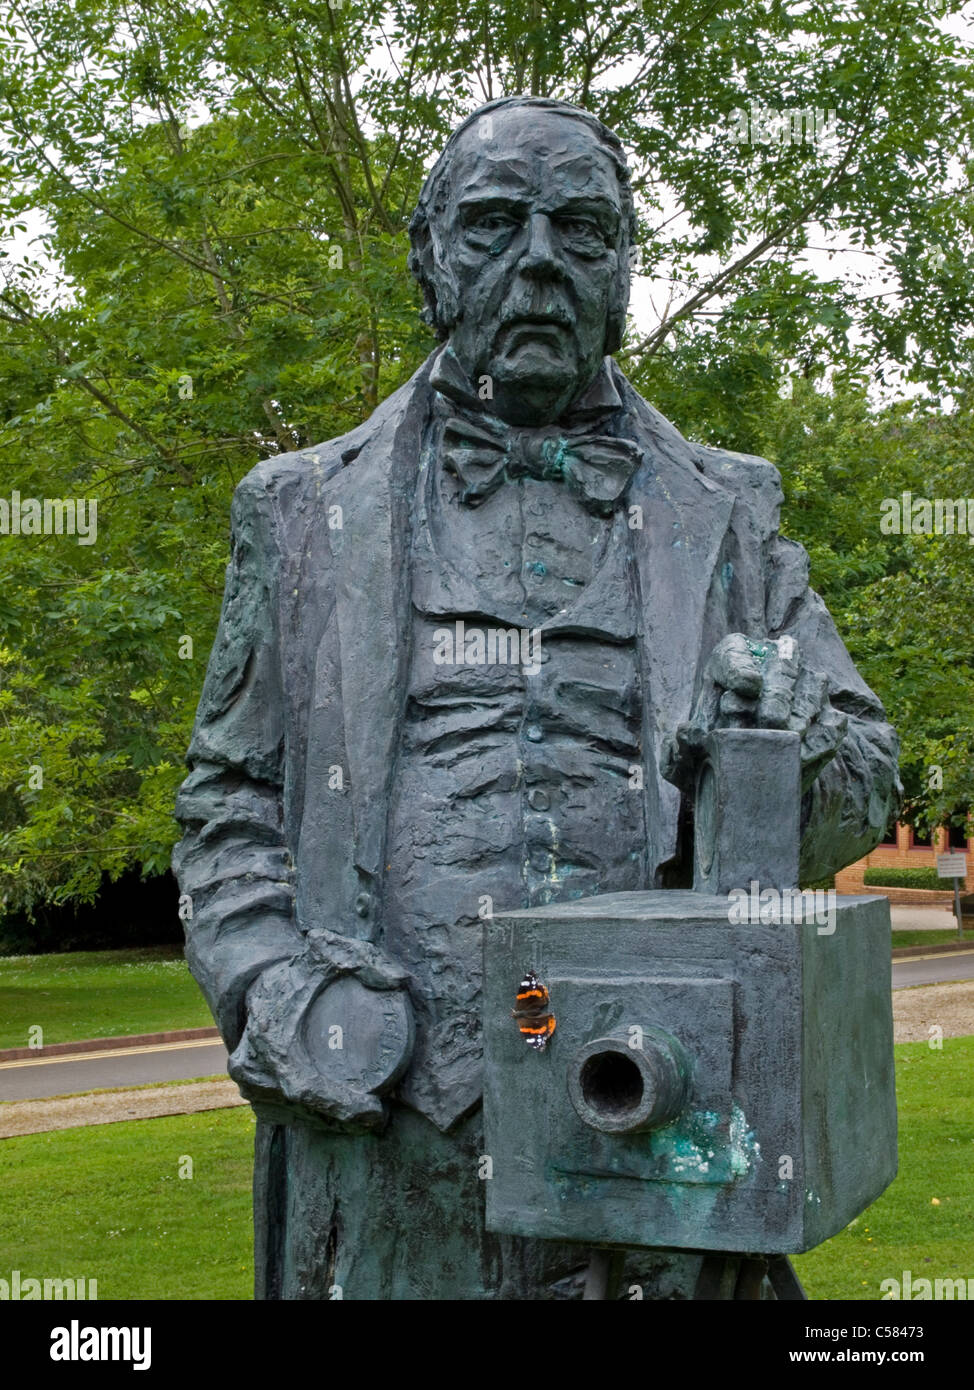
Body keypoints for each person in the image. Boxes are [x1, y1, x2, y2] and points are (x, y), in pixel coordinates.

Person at [173, 96, 900, 1299]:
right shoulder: (298, 509)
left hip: (666, 1138)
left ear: (623, 268)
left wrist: (777, 756)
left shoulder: (732, 511)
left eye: (581, 230)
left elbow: (864, 769)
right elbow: (228, 802)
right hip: (388, 1143)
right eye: (495, 226)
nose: (539, 264)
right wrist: (274, 988)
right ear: (427, 258)